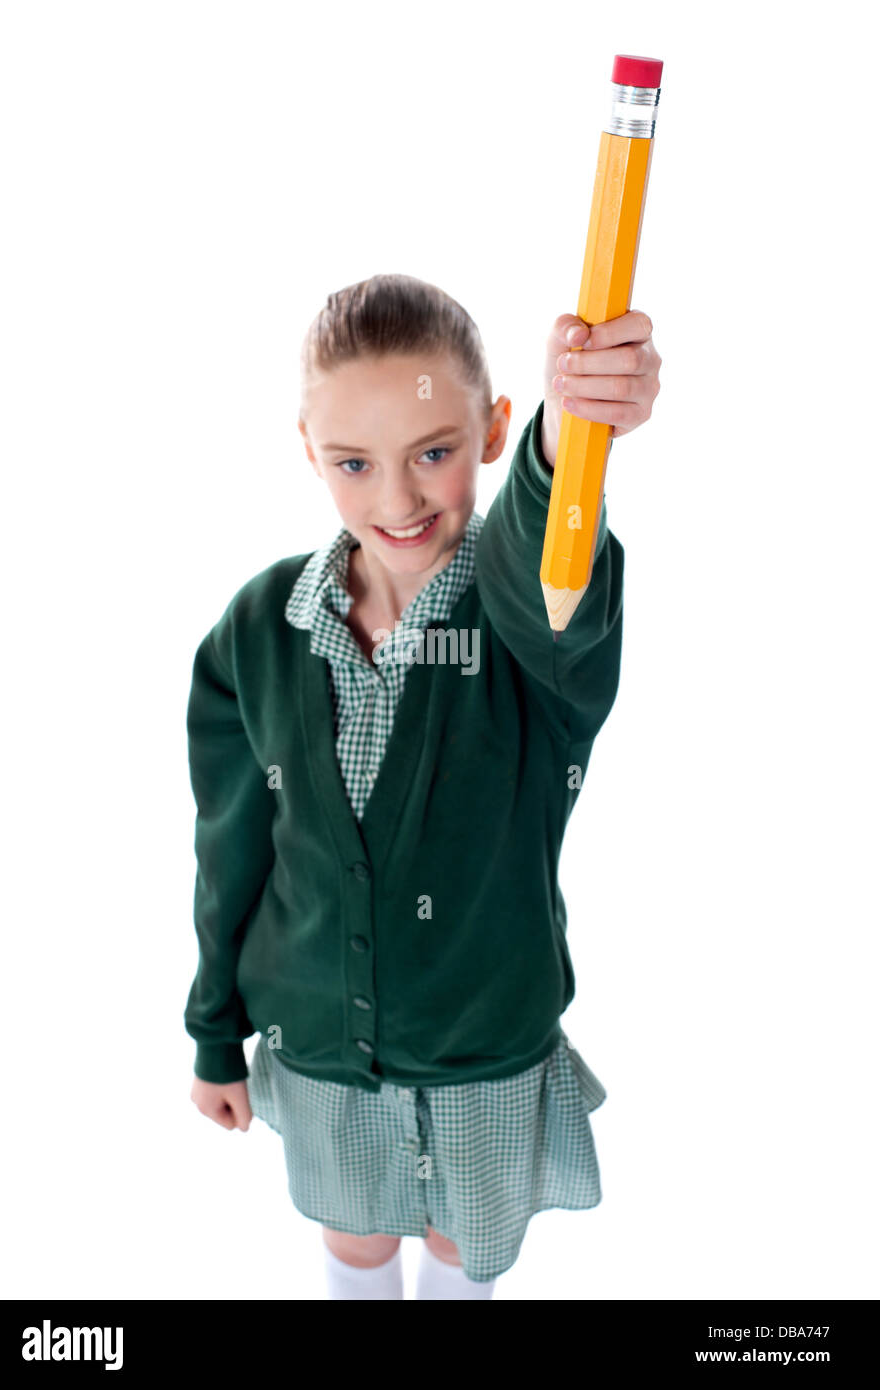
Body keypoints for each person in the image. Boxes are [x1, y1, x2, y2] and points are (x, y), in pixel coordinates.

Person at [185, 273, 661, 1299]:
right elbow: (231, 845)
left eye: (432, 453)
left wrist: (565, 434)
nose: (395, 501)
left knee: (459, 1249)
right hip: (317, 1048)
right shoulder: (259, 627)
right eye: (353, 462)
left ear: (490, 431)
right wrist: (214, 1025)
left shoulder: (527, 620)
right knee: (355, 1242)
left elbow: (553, 564)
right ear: (307, 447)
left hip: (482, 1044)